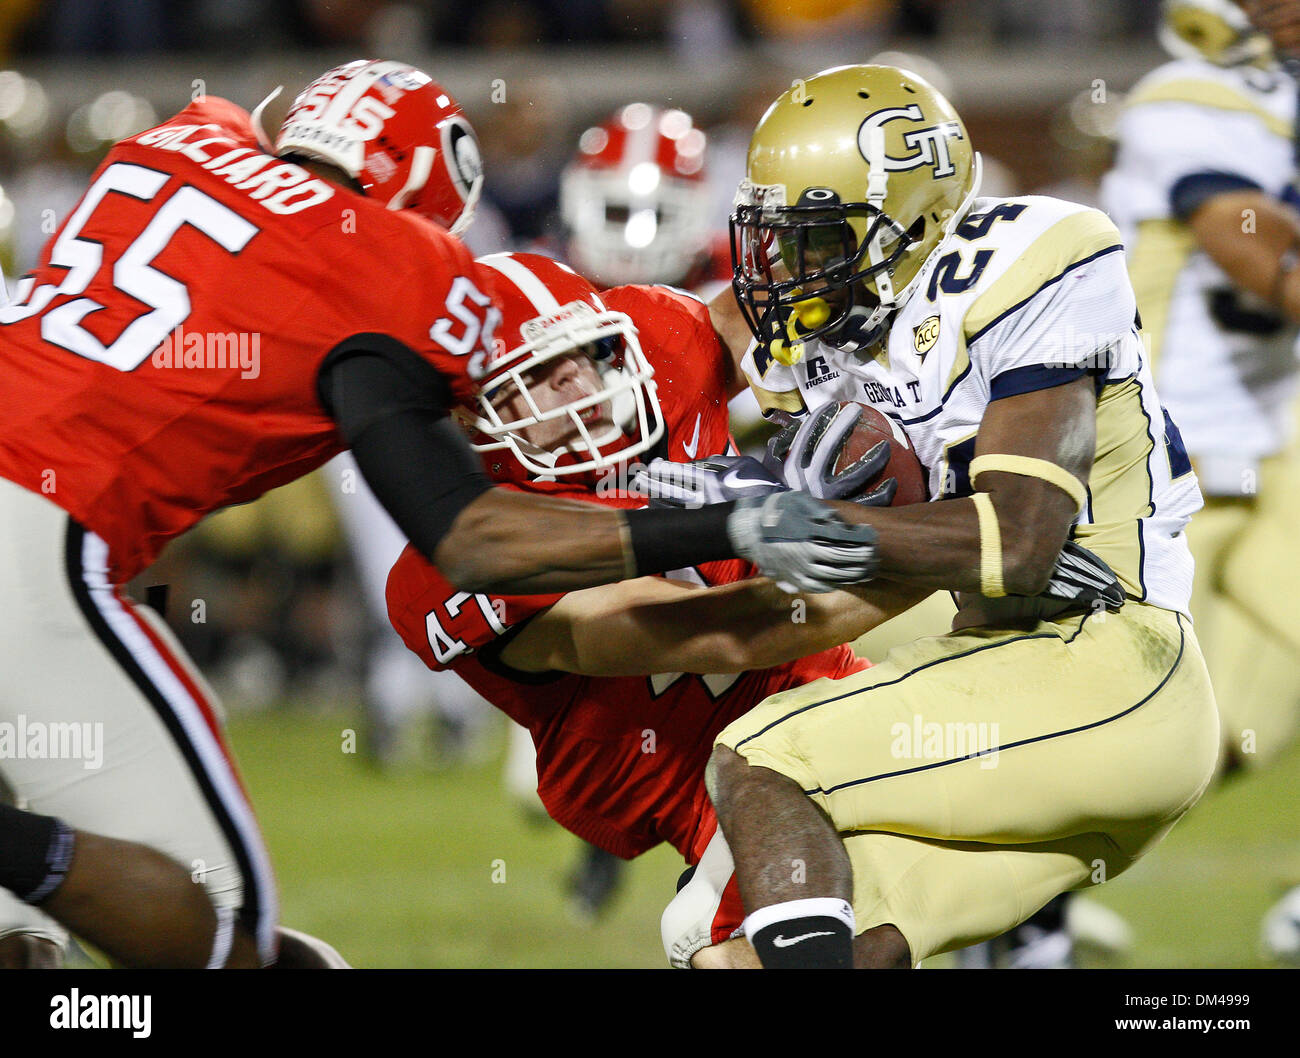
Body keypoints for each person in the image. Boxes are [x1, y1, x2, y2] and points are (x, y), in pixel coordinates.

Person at [0, 59, 874, 969]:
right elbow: (475, 539)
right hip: (36, 534)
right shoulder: (381, 263)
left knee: (26, 943)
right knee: (220, 931)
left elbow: (754, 319)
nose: (566, 392)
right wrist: (740, 521)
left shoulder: (185, 137)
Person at [646, 62, 1219, 969]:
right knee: (717, 933)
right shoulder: (843, 322)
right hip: (1004, 674)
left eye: (816, 241)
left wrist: (786, 514)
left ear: (909, 222)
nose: (787, 270)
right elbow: (677, 344)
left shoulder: (1035, 259)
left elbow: (1019, 543)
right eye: (778, 241)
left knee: (763, 757)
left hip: (1111, 667)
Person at [385, 250, 917, 964]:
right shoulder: (468, 556)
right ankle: (716, 930)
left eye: (584, 352)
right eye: (535, 374)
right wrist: (956, 548)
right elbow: (726, 633)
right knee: (835, 948)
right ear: (467, 414)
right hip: (695, 779)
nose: (575, 378)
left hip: (822, 682)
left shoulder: (659, 348)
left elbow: (770, 310)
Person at [1103, 0, 1300, 965]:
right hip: (1165, 459)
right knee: (1192, 736)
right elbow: (1253, 247)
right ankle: (1015, 899)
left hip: (1278, 448)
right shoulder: (1190, 99)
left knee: (1244, 721)